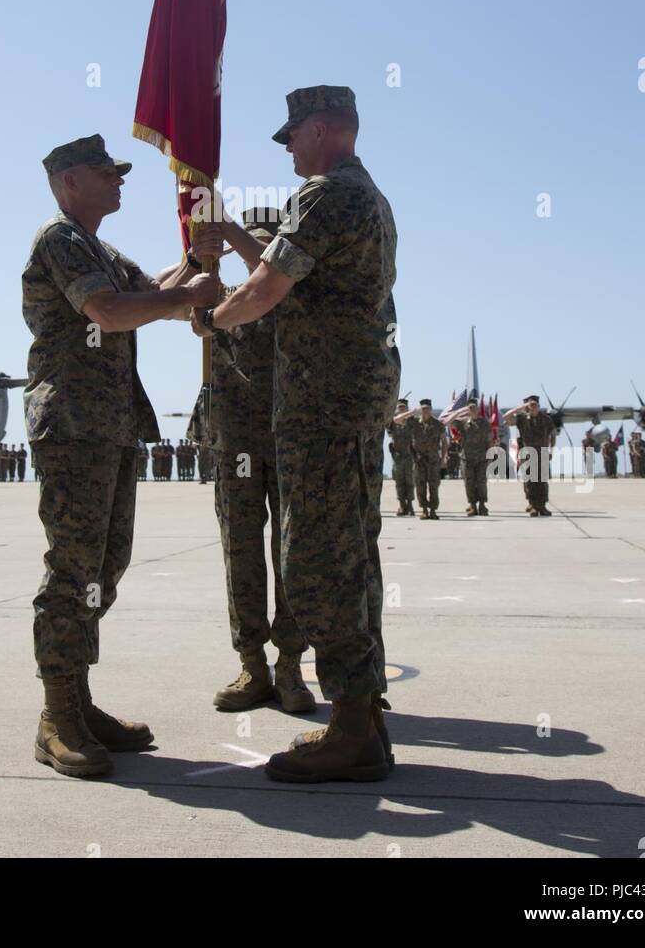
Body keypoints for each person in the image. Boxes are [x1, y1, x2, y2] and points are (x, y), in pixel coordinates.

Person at [192, 86, 399, 782]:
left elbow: (267, 286)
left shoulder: (327, 193)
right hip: (349, 398)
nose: (287, 149)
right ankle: (363, 715)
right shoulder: (362, 195)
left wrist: (216, 318)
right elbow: (288, 268)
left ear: (319, 131)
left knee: (320, 559)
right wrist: (228, 235)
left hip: (323, 403)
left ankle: (349, 729)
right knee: (352, 550)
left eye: (292, 137)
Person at [23, 133, 220, 779]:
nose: (122, 182)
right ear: (71, 180)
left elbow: (150, 294)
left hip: (108, 426)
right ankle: (57, 717)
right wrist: (187, 295)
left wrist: (196, 258)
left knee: (106, 565)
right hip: (73, 424)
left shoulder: (101, 249)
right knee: (72, 568)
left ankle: (79, 700)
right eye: (110, 173)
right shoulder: (60, 239)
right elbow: (110, 312)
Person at [200, 206, 314, 716]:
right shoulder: (220, 300)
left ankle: (290, 665)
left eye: (267, 247)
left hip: (289, 439)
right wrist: (201, 256)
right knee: (240, 551)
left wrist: (234, 235)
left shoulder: (295, 292)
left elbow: (269, 275)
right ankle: (252, 663)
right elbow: (193, 317)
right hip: (235, 443)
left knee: (291, 554)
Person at [502, 395, 555, 516]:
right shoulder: (522, 418)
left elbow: (553, 435)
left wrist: (552, 450)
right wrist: (520, 407)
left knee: (542, 481)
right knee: (530, 480)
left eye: (535, 404)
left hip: (542, 452)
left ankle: (542, 506)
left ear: (539, 406)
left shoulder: (547, 419)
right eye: (530, 405)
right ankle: (532, 505)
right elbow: (505, 417)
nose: (533, 407)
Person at [395, 399, 446, 519]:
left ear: (431, 409)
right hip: (419, 460)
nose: (426, 411)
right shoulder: (414, 422)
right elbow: (396, 420)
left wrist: (443, 458)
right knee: (420, 486)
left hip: (433, 460)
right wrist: (411, 412)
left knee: (434, 486)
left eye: (427, 408)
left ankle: (433, 510)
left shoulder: (438, 424)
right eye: (423, 409)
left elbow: (444, 442)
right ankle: (424, 509)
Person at [454, 396, 492, 516]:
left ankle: (482, 505)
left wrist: (490, 454)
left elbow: (489, 440)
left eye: (474, 407)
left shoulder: (484, 423)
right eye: (470, 408)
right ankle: (472, 505)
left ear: (478, 408)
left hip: (481, 457)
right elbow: (448, 422)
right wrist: (460, 412)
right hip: (467, 458)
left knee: (481, 482)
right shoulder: (463, 422)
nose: (472, 409)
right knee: (469, 482)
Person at [388, 398, 416, 517]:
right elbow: (390, 426)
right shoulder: (393, 422)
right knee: (399, 481)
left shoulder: (411, 422)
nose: (402, 409)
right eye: (400, 407)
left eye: (404, 407)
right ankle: (401, 504)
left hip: (409, 455)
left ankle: (409, 504)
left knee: (409, 481)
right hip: (398, 456)